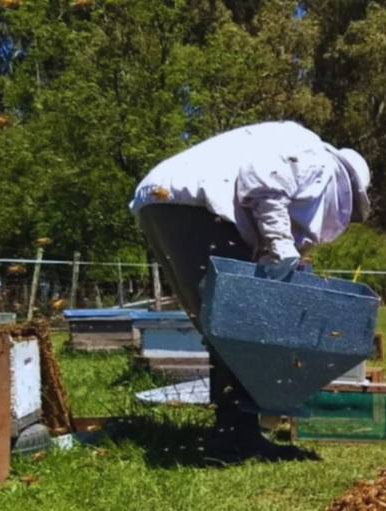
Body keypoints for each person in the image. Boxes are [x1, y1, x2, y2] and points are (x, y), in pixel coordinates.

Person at [129, 121, 371, 460]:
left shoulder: (291, 144)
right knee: (240, 323)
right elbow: (265, 182)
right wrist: (281, 247)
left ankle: (232, 431)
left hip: (162, 202)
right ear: (348, 186)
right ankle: (237, 437)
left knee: (222, 326)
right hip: (193, 206)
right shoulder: (316, 156)